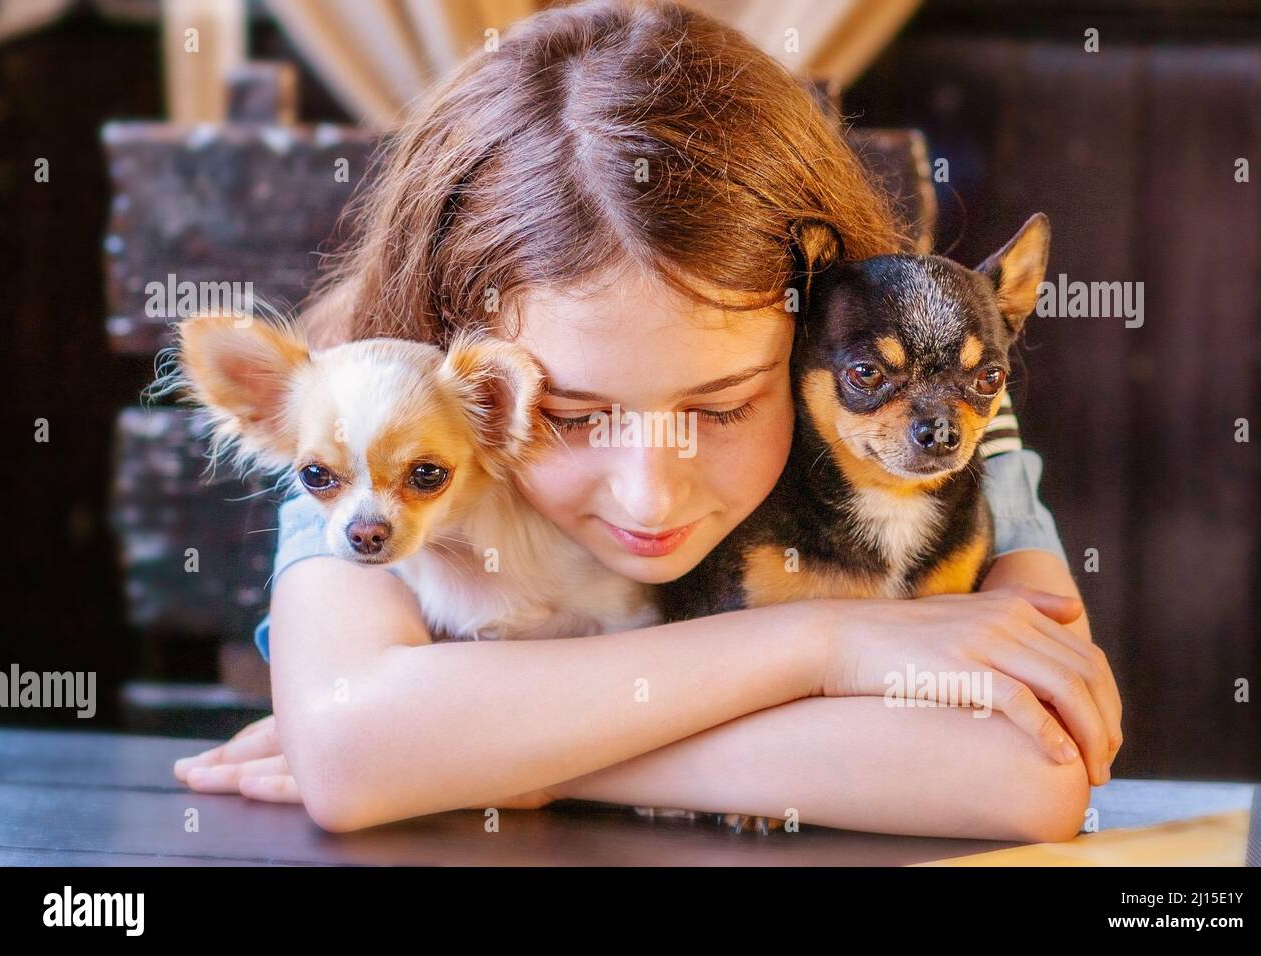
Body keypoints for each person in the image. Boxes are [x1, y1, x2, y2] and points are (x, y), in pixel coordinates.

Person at [174, 0, 1120, 839]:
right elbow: (352, 750)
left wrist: (488, 754)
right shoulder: (384, 420)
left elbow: (1024, 771)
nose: (650, 487)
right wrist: (827, 646)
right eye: (574, 417)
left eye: (723, 405)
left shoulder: (914, 433)